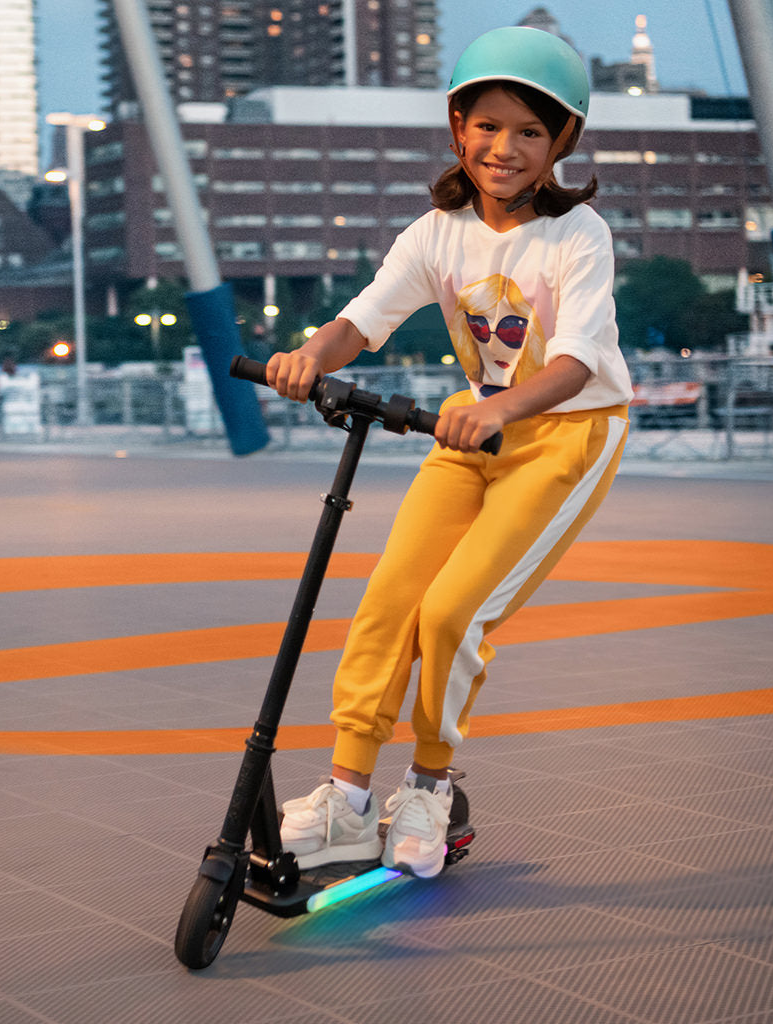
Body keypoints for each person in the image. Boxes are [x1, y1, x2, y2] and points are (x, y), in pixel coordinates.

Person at [267, 27, 633, 879]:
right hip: (470, 432)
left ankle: (428, 788)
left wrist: (501, 404)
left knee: (454, 612)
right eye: (488, 125)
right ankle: (349, 802)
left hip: (565, 438)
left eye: (531, 133)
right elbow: (364, 318)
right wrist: (310, 356)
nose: (505, 149)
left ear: (561, 145)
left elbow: (576, 359)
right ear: (457, 127)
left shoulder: (578, 236)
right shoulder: (436, 231)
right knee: (390, 601)